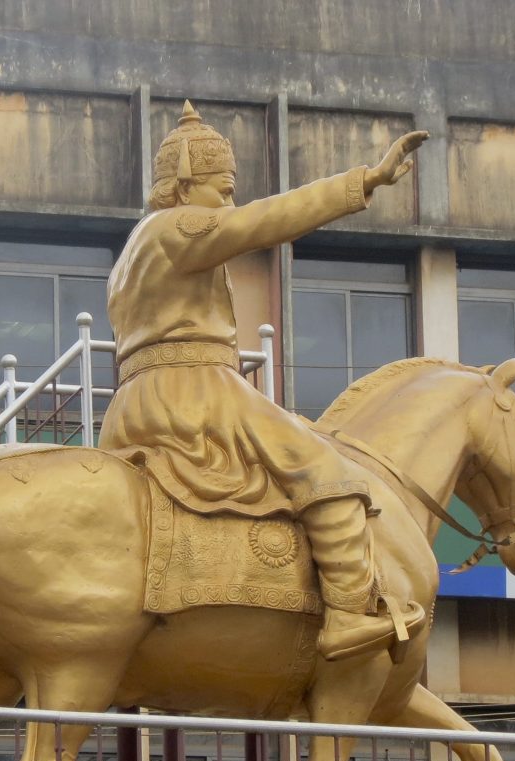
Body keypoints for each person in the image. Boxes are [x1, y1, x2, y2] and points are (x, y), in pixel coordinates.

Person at [99, 101, 429, 662]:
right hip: (196, 391)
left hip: (136, 400)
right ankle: (350, 610)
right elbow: (265, 220)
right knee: (327, 467)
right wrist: (363, 180)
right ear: (183, 188)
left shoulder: (134, 248)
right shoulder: (178, 227)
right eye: (223, 190)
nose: (229, 204)